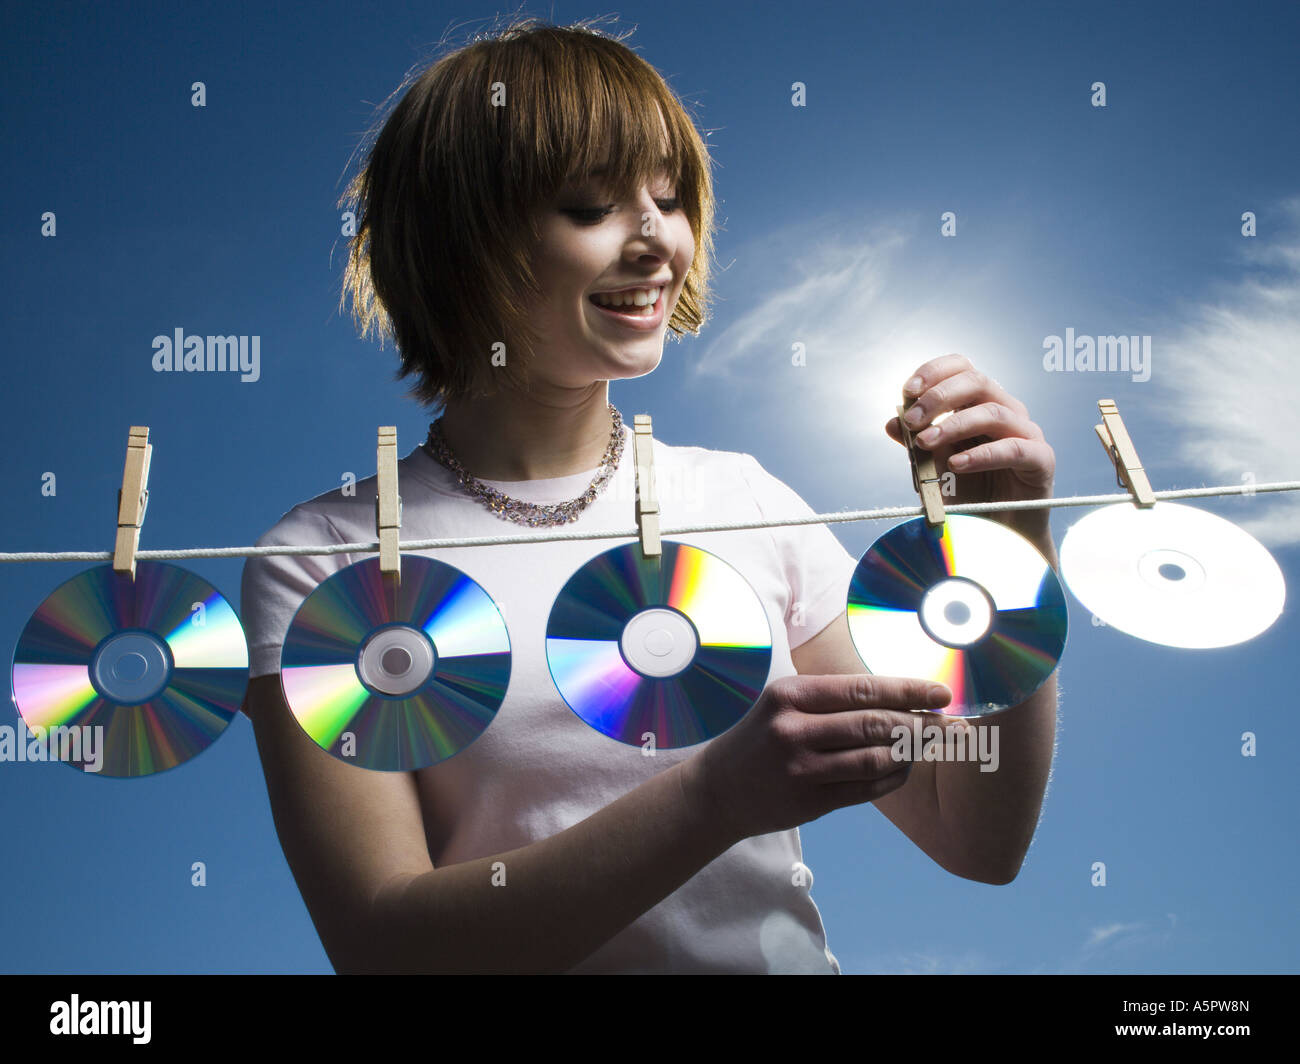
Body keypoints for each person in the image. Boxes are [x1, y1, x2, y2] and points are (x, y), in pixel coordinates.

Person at [240, 15, 1058, 974]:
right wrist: (714, 796)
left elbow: (975, 836)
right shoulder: (325, 559)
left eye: (669, 198)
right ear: (462, 243)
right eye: (589, 208)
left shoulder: (742, 497)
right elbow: (385, 946)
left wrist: (1011, 551)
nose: (657, 240)